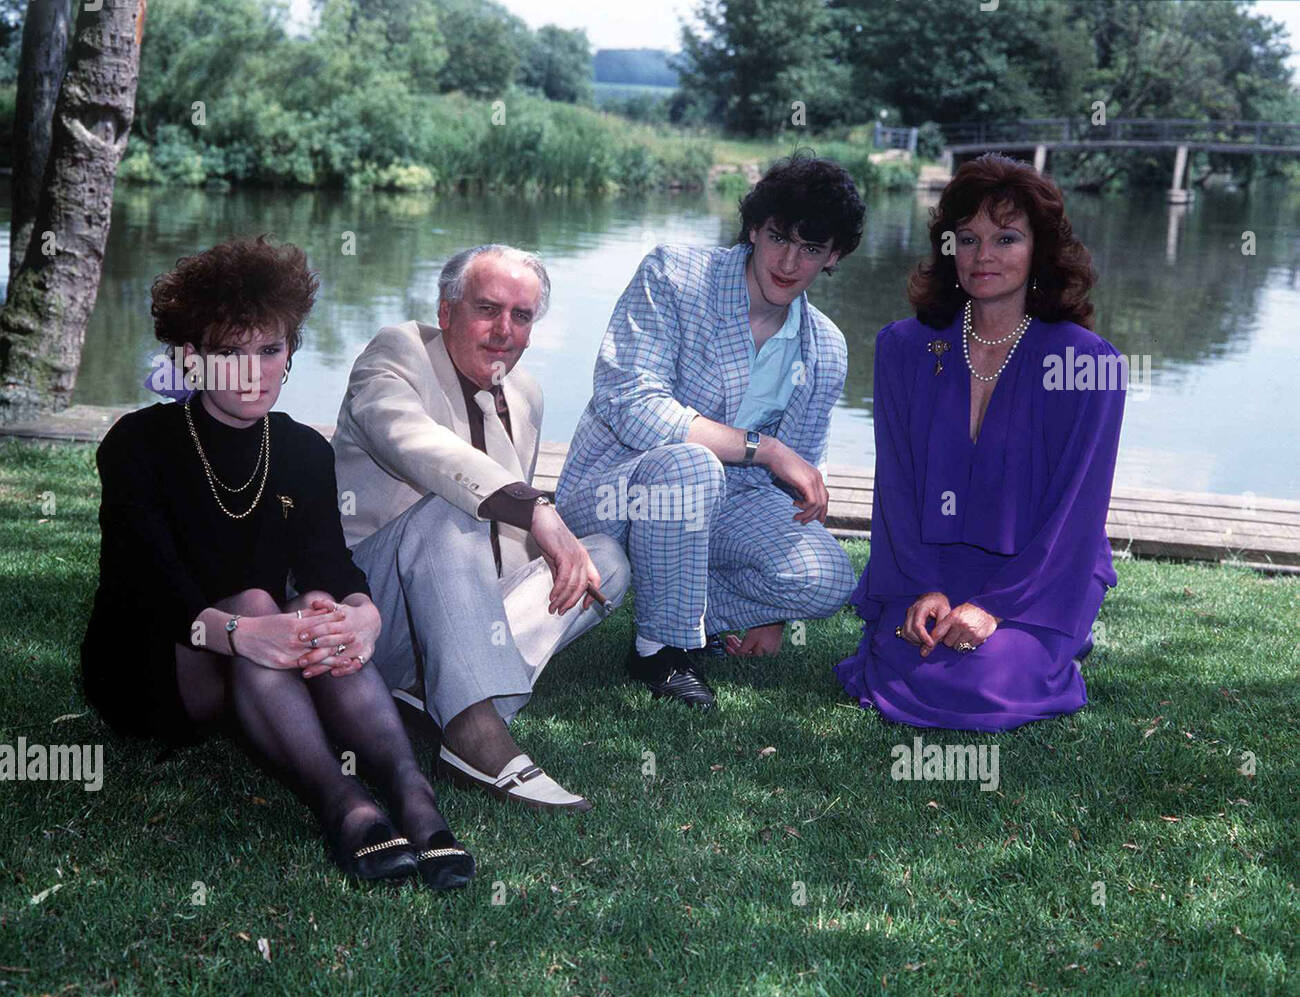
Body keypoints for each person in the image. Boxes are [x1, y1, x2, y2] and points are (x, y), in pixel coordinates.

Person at [81, 236, 474, 890]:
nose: (256, 371)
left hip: (261, 663)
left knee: (319, 611)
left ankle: (412, 795)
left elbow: (329, 563)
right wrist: (242, 631)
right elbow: (142, 588)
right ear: (190, 358)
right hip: (153, 663)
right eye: (231, 353)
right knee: (262, 606)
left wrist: (360, 613)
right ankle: (342, 801)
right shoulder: (138, 445)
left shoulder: (300, 451)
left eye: (270, 349)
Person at [556, 153, 866, 710]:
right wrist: (763, 448)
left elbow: (790, 483)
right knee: (690, 462)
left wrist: (771, 612)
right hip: (613, 492)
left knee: (827, 578)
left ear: (834, 255)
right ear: (753, 227)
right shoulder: (674, 275)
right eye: (778, 237)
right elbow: (630, 403)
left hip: (723, 506)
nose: (789, 262)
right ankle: (660, 650)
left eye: (812, 249)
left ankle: (667, 600)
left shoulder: (825, 348)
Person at [332, 244, 630, 812]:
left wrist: (546, 557)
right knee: (455, 505)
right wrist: (537, 508)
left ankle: (437, 698)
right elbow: (410, 440)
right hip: (372, 606)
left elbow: (508, 552)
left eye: (521, 316)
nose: (504, 331)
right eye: (487, 309)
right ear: (446, 312)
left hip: (458, 610)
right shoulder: (397, 353)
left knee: (605, 563)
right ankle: (473, 734)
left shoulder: (527, 394)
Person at [834, 153, 1126, 732]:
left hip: (1043, 576)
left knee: (978, 685)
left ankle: (1055, 639)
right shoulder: (903, 348)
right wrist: (922, 587)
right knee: (913, 661)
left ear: (1039, 249)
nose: (983, 255)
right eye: (967, 238)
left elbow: (1077, 514)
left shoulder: (1088, 364)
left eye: (1006, 238)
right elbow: (894, 489)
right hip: (928, 568)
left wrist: (995, 608)